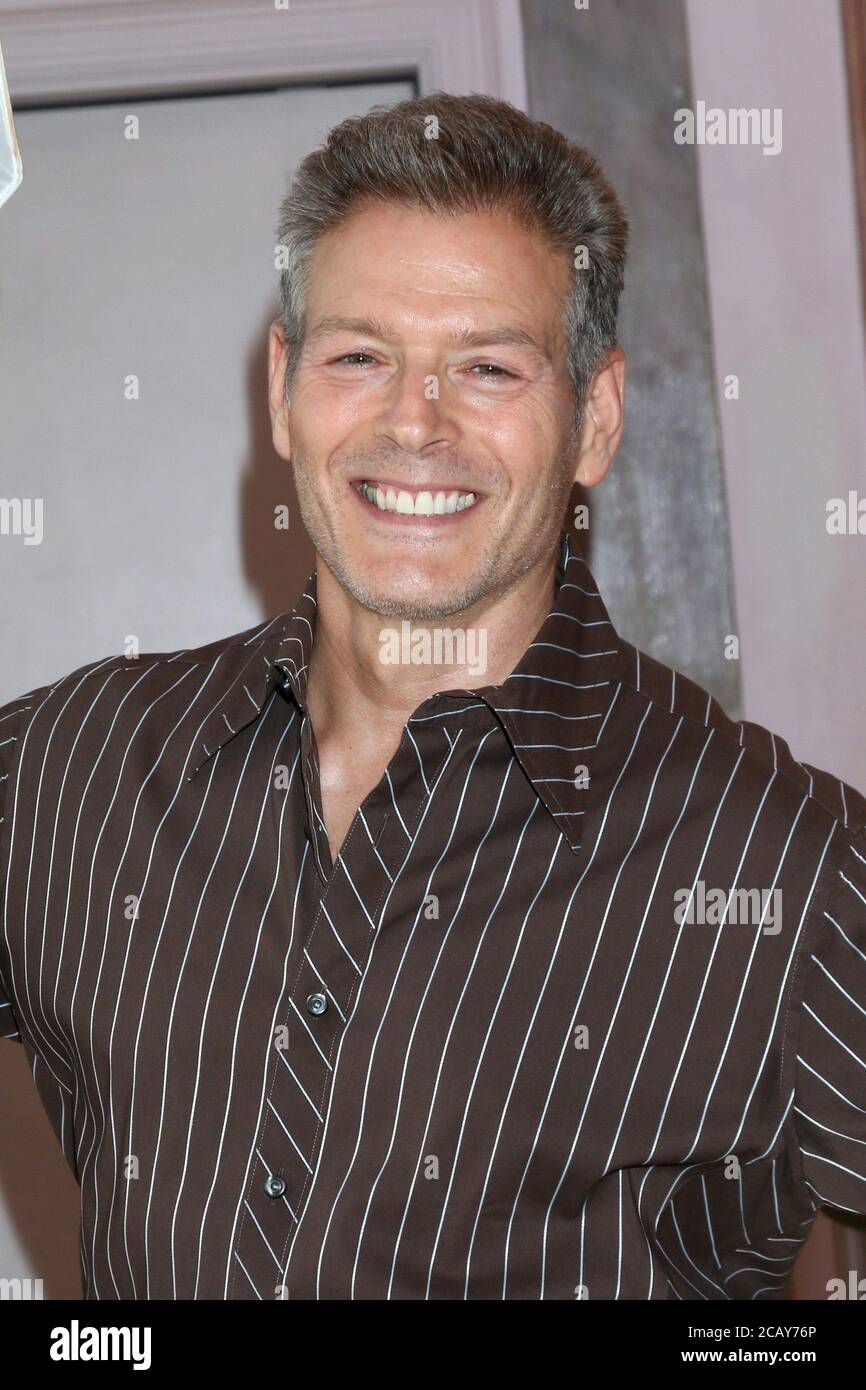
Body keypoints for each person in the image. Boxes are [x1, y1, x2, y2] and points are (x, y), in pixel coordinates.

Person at [1, 92, 864, 1301]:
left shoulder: (791, 864)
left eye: (487, 367)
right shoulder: (69, 765)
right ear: (283, 386)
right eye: (360, 356)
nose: (414, 422)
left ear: (594, 418)